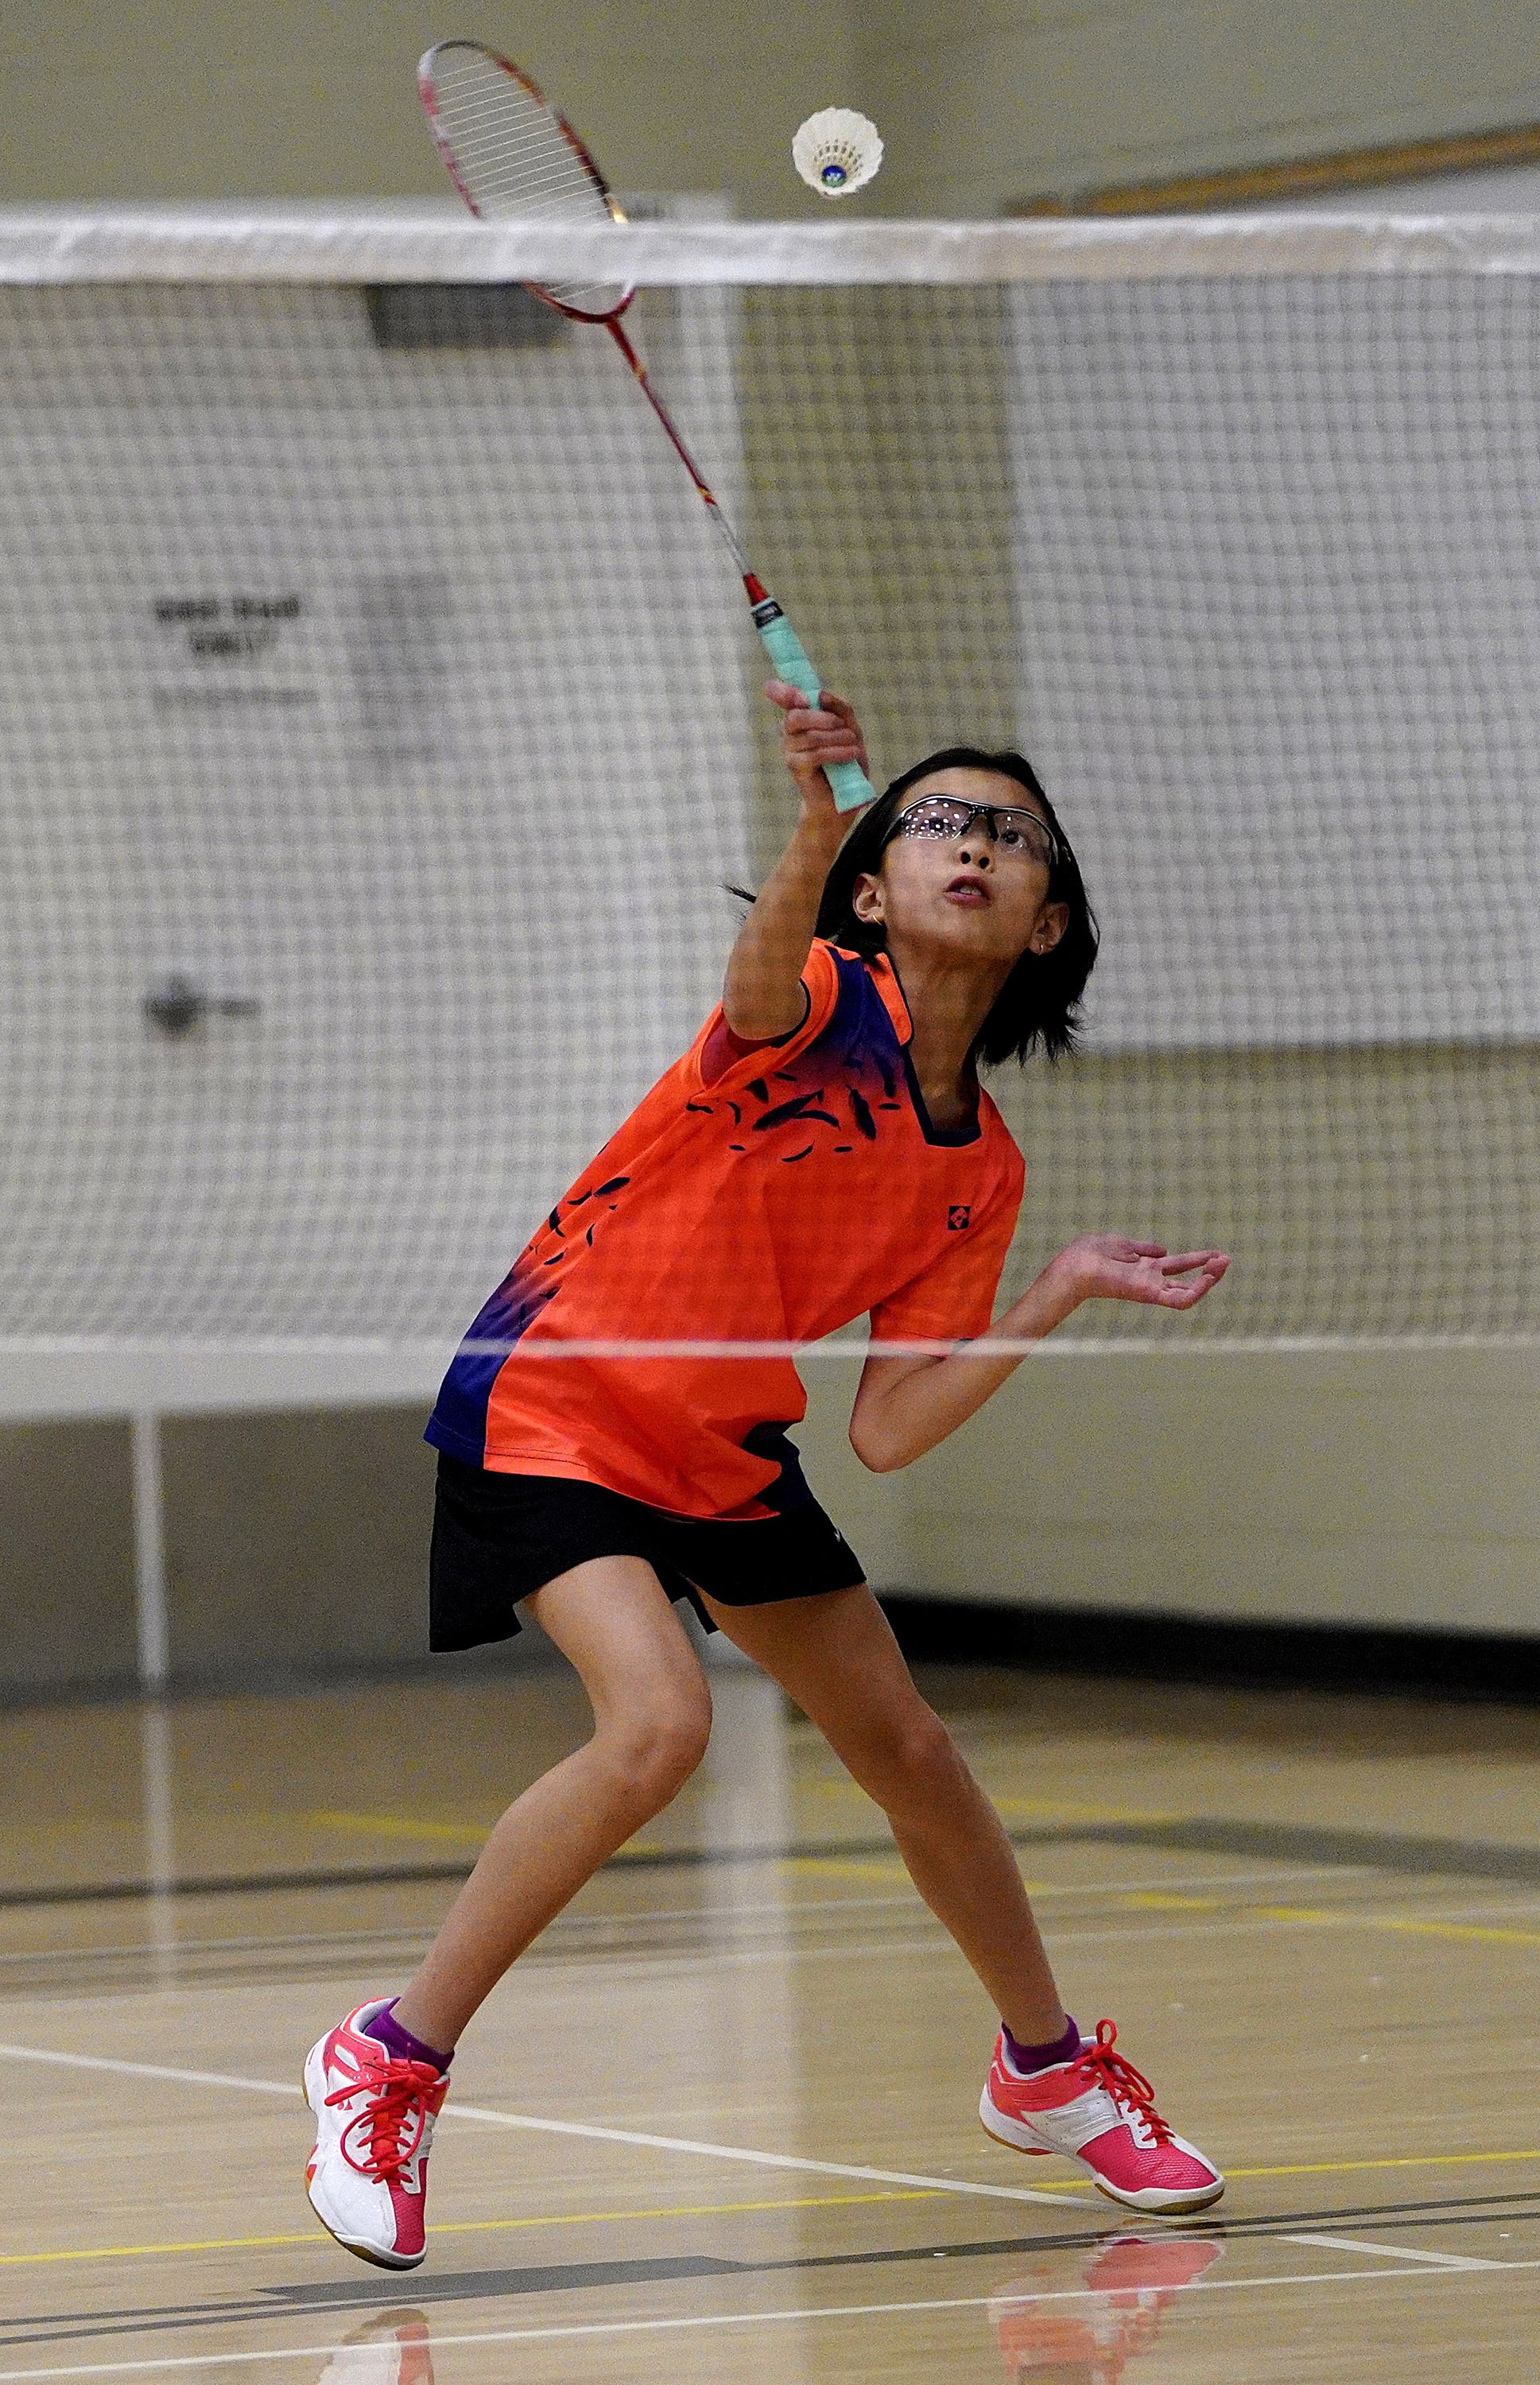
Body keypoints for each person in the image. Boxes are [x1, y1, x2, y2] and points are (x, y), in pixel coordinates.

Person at [304, 682, 1231, 2269]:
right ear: (873, 886)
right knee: (657, 1724)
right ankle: (387, 2056)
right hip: (559, 1397)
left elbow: (887, 1428)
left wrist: (1057, 1286)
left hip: (723, 1441)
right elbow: (751, 984)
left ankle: (1047, 2068)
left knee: (909, 1748)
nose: (974, 844)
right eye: (939, 817)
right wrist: (814, 817)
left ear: (1045, 922)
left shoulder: (980, 1170)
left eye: (1010, 836)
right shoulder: (808, 1001)